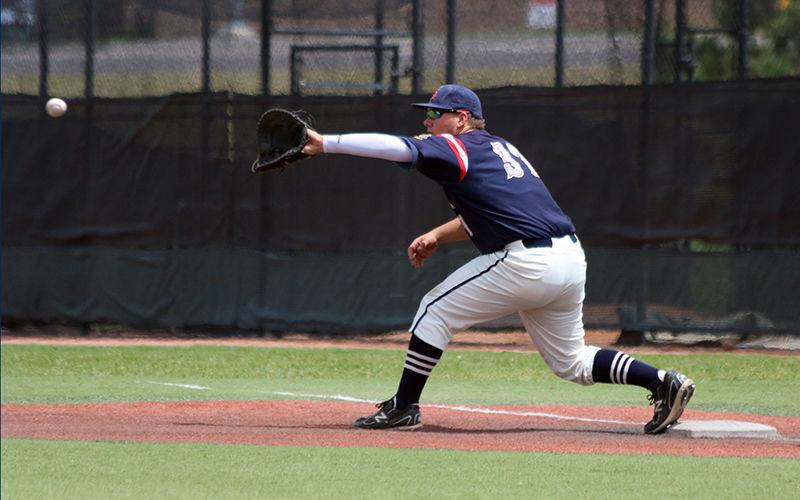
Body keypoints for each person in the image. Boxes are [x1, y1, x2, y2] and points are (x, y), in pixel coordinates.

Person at [301, 84, 695, 434]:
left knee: (433, 310)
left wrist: (325, 143)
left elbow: (398, 148)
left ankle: (403, 407)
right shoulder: (503, 148)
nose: (428, 119)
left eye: (436, 113)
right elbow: (501, 210)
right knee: (571, 362)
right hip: (570, 257)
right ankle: (662, 381)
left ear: (461, 118)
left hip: (528, 263)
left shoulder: (457, 145)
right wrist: (439, 235)